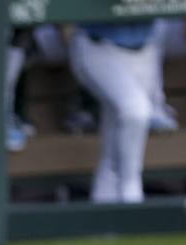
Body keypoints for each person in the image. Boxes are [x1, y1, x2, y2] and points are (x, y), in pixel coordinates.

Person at [68, 21, 161, 202]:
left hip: (144, 49)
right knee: (137, 111)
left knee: (112, 151)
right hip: (97, 45)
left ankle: (103, 223)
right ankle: (132, 199)